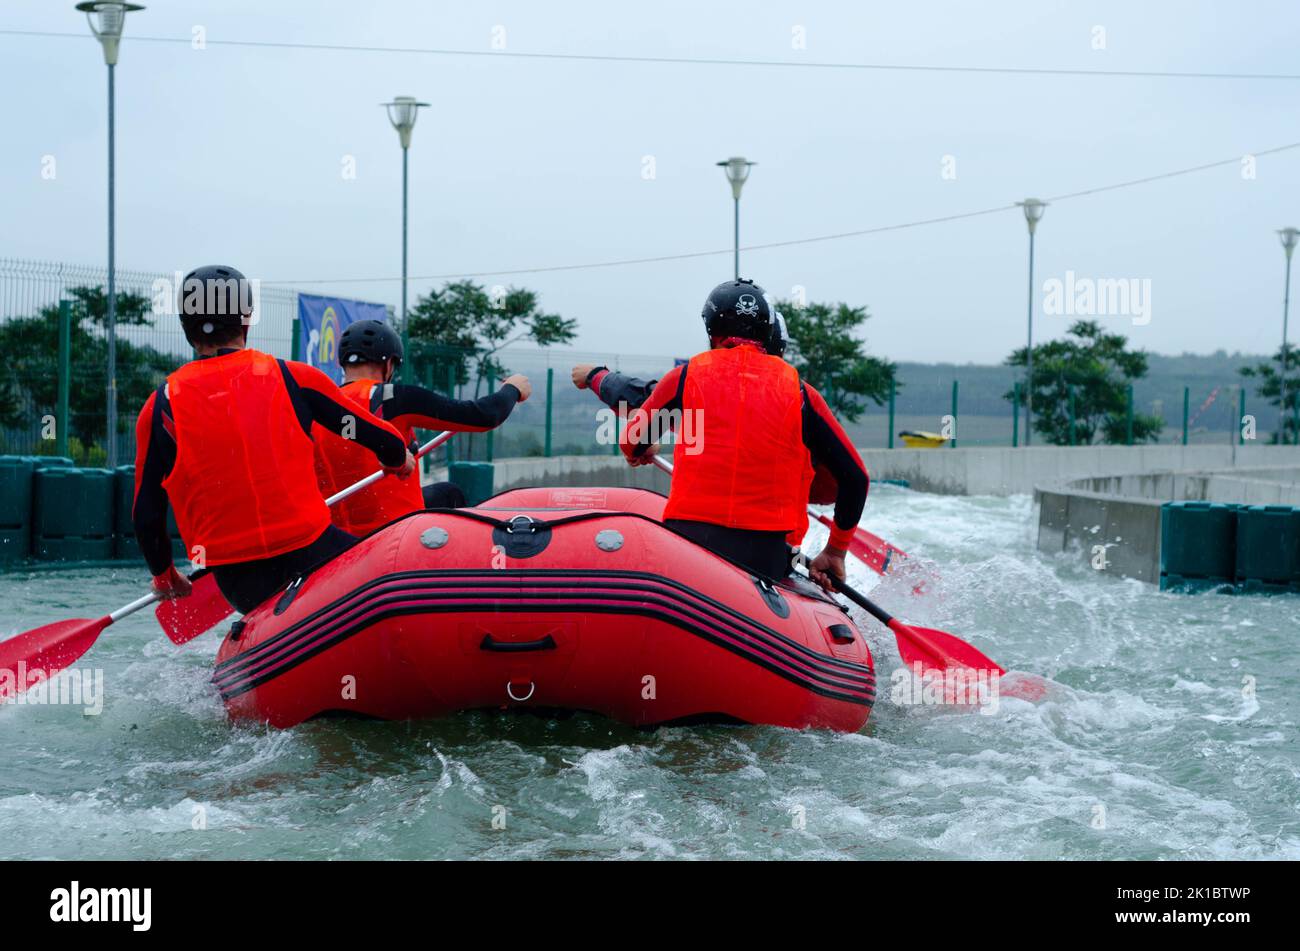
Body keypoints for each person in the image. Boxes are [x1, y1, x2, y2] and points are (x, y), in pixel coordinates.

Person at [132, 265, 413, 614]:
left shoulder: (160, 406)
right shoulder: (293, 377)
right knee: (404, 560)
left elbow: (146, 514)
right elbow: (373, 435)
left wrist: (164, 576)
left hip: (239, 581)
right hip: (315, 552)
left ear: (186, 325)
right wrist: (399, 457)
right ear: (246, 319)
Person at [611, 280, 868, 590]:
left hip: (690, 545)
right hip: (767, 555)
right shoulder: (801, 393)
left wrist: (641, 449)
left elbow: (631, 440)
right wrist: (835, 551)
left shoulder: (685, 376)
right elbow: (856, 478)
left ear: (711, 329)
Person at [313, 319, 532, 535]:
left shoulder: (320, 408)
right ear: (389, 364)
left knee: (447, 493)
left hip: (336, 535)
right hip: (394, 534)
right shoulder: (392, 399)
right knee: (454, 498)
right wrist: (512, 389)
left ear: (344, 364)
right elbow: (485, 415)